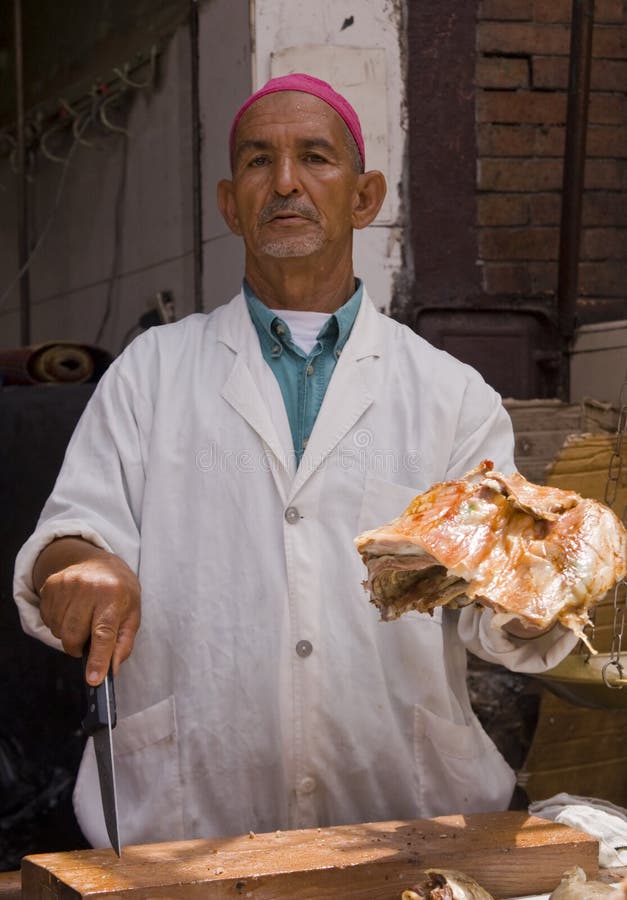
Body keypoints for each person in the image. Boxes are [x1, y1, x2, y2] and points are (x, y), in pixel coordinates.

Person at [14, 74, 577, 849]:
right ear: (227, 202)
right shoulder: (150, 372)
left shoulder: (449, 395)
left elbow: (493, 605)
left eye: (315, 157)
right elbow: (75, 529)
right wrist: (77, 568)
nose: (284, 182)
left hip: (403, 813)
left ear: (365, 196)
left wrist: (535, 591)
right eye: (257, 161)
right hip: (184, 819)